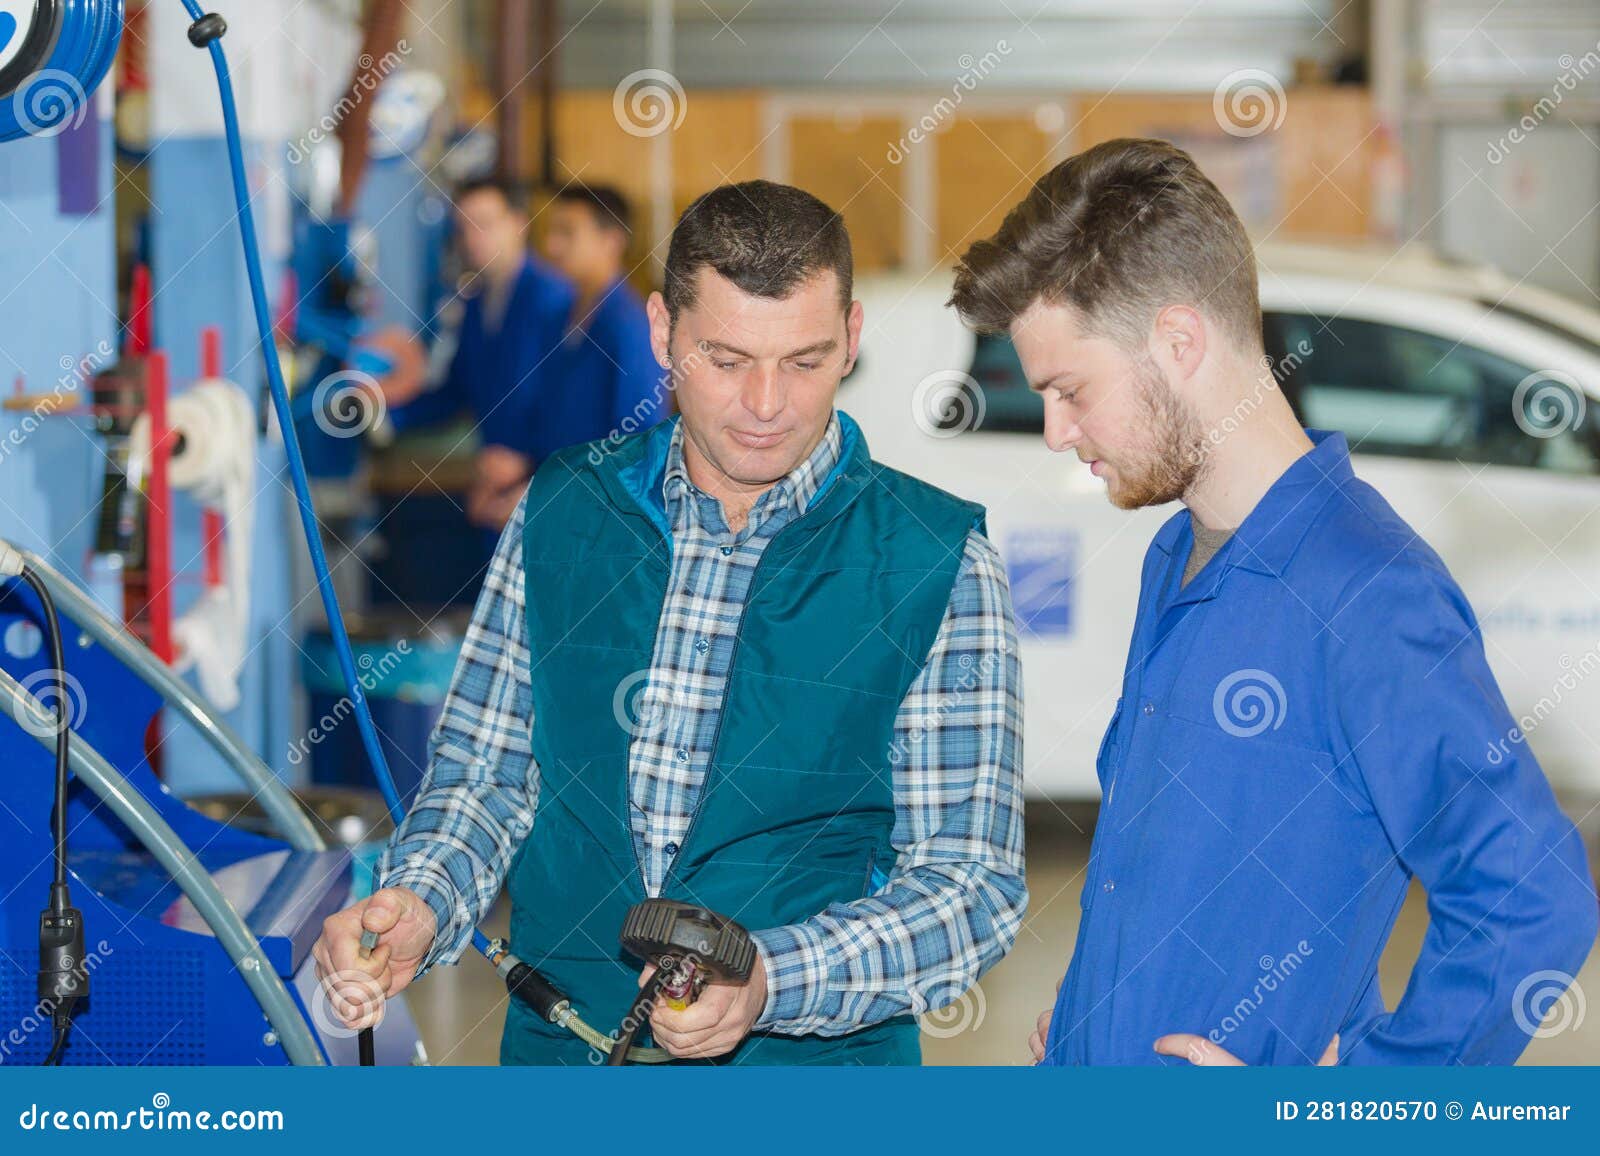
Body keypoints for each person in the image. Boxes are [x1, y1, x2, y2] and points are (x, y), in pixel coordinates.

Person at [313, 179, 1027, 1065]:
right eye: (725, 360)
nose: (765, 405)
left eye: (804, 361)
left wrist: (772, 977)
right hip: (561, 1054)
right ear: (661, 333)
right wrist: (419, 900)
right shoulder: (565, 510)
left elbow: (969, 884)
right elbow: (484, 779)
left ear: (851, 337)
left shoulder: (933, 557)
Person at [949, 137, 1597, 1066]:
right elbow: (1183, 872)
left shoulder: (1368, 590)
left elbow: (1532, 897)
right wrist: (1096, 1006)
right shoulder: (1174, 554)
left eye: (1070, 390)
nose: (1055, 432)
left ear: (1178, 341)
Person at [373, 177, 573, 535]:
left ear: (518, 222)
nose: (473, 237)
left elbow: (575, 409)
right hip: (493, 491)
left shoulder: (554, 302)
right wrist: (384, 413)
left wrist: (533, 470)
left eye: (484, 222)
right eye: (463, 227)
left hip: (543, 491)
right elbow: (456, 392)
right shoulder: (475, 305)